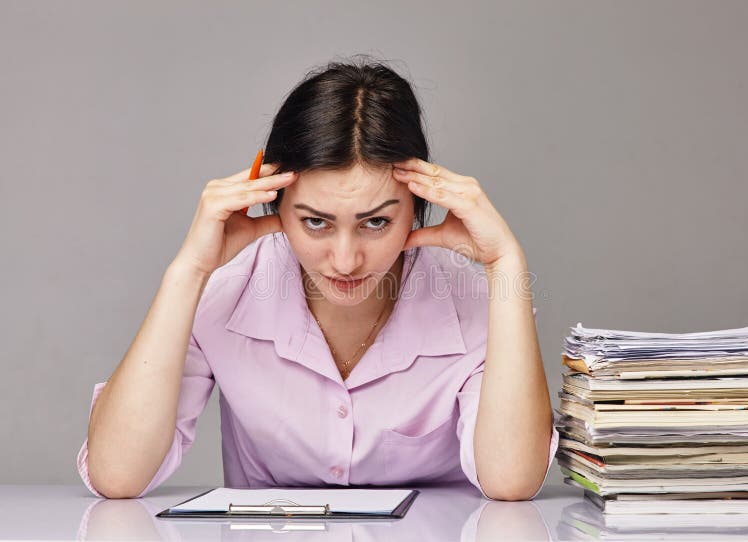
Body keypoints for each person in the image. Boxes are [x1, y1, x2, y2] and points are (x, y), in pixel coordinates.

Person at [77, 58, 558, 501]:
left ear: (417, 208)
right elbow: (118, 474)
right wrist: (189, 272)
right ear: (274, 205)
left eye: (376, 223)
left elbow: (512, 480)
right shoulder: (226, 291)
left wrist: (505, 262)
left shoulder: (473, 304)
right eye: (314, 222)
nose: (345, 261)